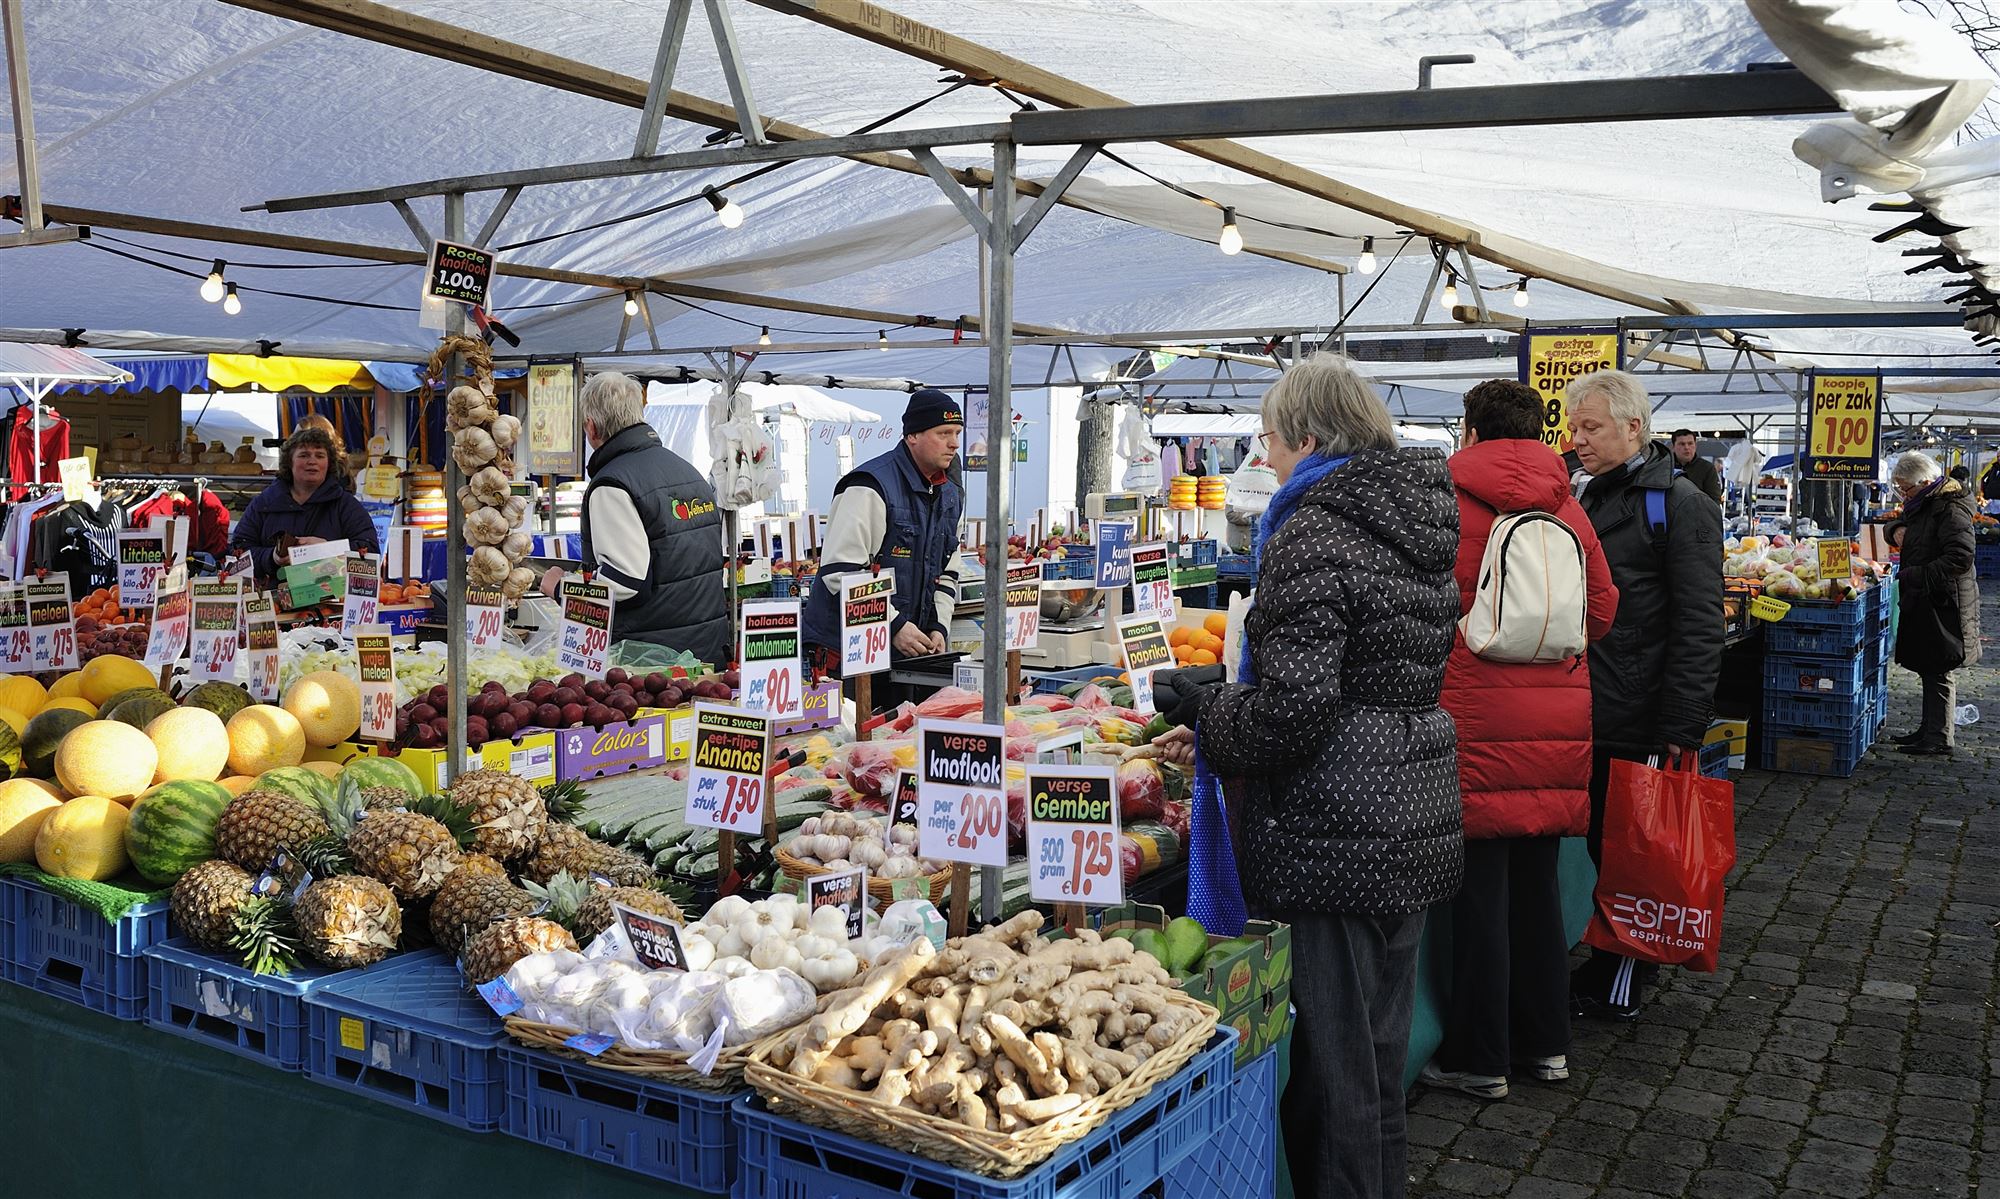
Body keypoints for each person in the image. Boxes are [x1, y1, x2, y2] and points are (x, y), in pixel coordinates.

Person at [1150, 354, 1462, 1199]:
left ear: (1312, 440)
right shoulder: (1416, 519)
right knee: (1377, 1062)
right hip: (1407, 808)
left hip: (1334, 827)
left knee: (1334, 1075)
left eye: (1272, 441)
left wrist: (1209, 710)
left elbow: (1295, 710)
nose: (1268, 458)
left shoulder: (1315, 530)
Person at [1421, 380, 1619, 1102]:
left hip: (1472, 720)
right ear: (1541, 431)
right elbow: (1604, 609)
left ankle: (1480, 1057)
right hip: (1555, 721)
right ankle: (1546, 1046)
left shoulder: (1444, 500)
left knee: (1478, 899)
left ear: (1470, 429)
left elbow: (1419, 608)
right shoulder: (1569, 505)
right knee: (1536, 892)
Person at [1564, 371, 1723, 1020]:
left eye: (1591, 427)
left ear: (1634, 427)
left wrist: (1681, 724)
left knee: (1633, 851)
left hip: (1638, 709)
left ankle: (1621, 979)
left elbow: (1699, 623)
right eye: (1573, 428)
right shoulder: (1579, 492)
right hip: (1586, 703)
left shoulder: (1679, 505)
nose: (1577, 440)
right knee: (1602, 842)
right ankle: (1610, 957)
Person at [538, 371, 730, 662]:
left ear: (591, 427)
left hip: (650, 661)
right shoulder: (686, 471)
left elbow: (625, 582)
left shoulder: (612, 484)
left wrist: (561, 588)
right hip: (704, 653)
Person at [801, 389, 963, 671]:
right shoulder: (868, 486)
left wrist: (938, 626)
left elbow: (947, 571)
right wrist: (894, 625)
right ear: (913, 436)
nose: (954, 443)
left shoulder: (950, 495)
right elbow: (841, 572)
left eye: (957, 433)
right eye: (943, 433)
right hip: (845, 653)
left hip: (905, 656)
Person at [1885, 451, 1979, 755]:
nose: (1903, 495)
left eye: (1906, 488)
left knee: (1939, 667)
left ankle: (1939, 737)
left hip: (1945, 600)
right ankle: (1929, 728)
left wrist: (1918, 574)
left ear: (1925, 482)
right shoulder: (1925, 502)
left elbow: (1960, 557)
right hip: (1928, 596)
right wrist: (1895, 530)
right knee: (1929, 665)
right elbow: (1902, 525)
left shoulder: (1950, 509)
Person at [230, 424, 378, 579]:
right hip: (272, 593)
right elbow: (237, 554)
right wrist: (271, 558)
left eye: (320, 456)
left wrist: (328, 550)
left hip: (331, 593)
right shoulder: (264, 503)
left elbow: (370, 552)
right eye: (304, 455)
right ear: (289, 462)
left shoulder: (346, 505)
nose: (312, 461)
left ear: (329, 464)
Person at [1669, 429, 1723, 503]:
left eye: (1690, 443)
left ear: (1695, 446)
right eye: (1682, 444)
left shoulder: (1707, 468)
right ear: (1673, 447)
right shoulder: (1665, 467)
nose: (1686, 447)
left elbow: (1714, 500)